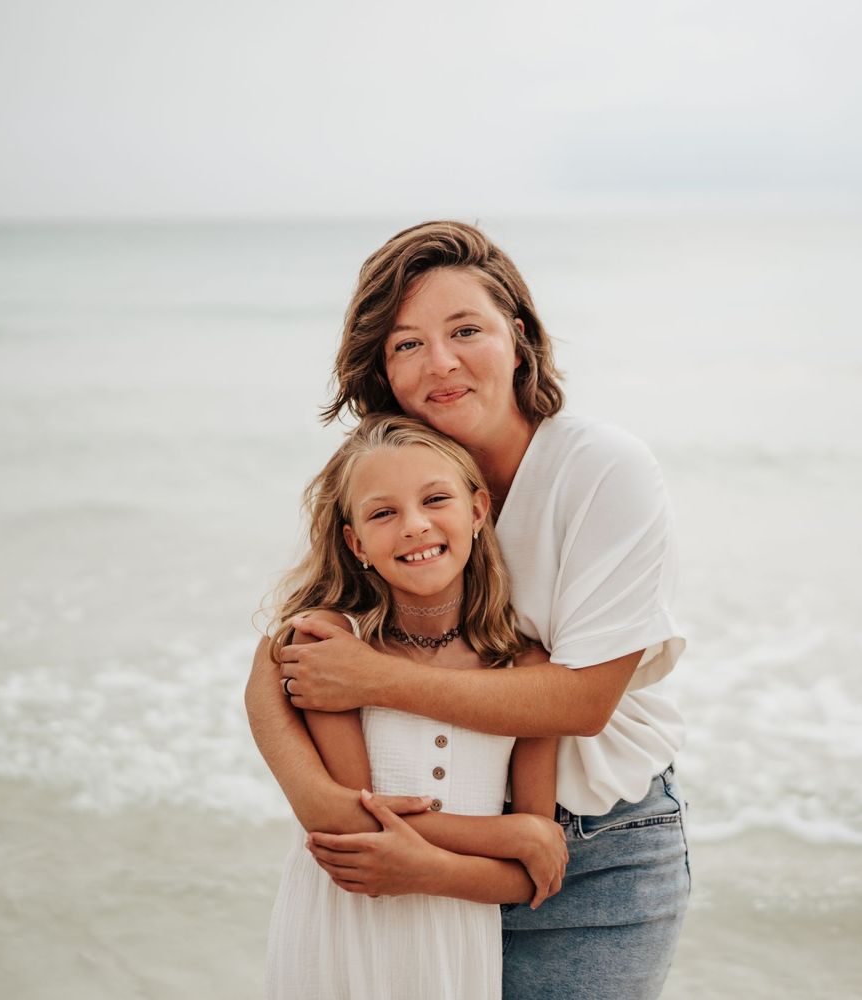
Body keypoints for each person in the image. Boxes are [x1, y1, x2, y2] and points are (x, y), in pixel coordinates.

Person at [247, 221, 688, 1000]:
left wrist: (370, 680)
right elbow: (295, 649)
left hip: (594, 855)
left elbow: (579, 701)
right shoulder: (396, 484)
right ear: (383, 369)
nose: (440, 362)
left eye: (465, 330)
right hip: (408, 855)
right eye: (406, 344)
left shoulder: (600, 468)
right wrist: (319, 801)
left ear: (518, 337)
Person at [262, 413, 567, 1000]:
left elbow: (532, 877)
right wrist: (516, 834)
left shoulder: (527, 669)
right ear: (356, 544)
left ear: (478, 511)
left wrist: (454, 864)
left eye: (435, 499)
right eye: (382, 513)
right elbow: (356, 827)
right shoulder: (330, 643)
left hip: (455, 944)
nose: (414, 526)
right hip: (341, 929)